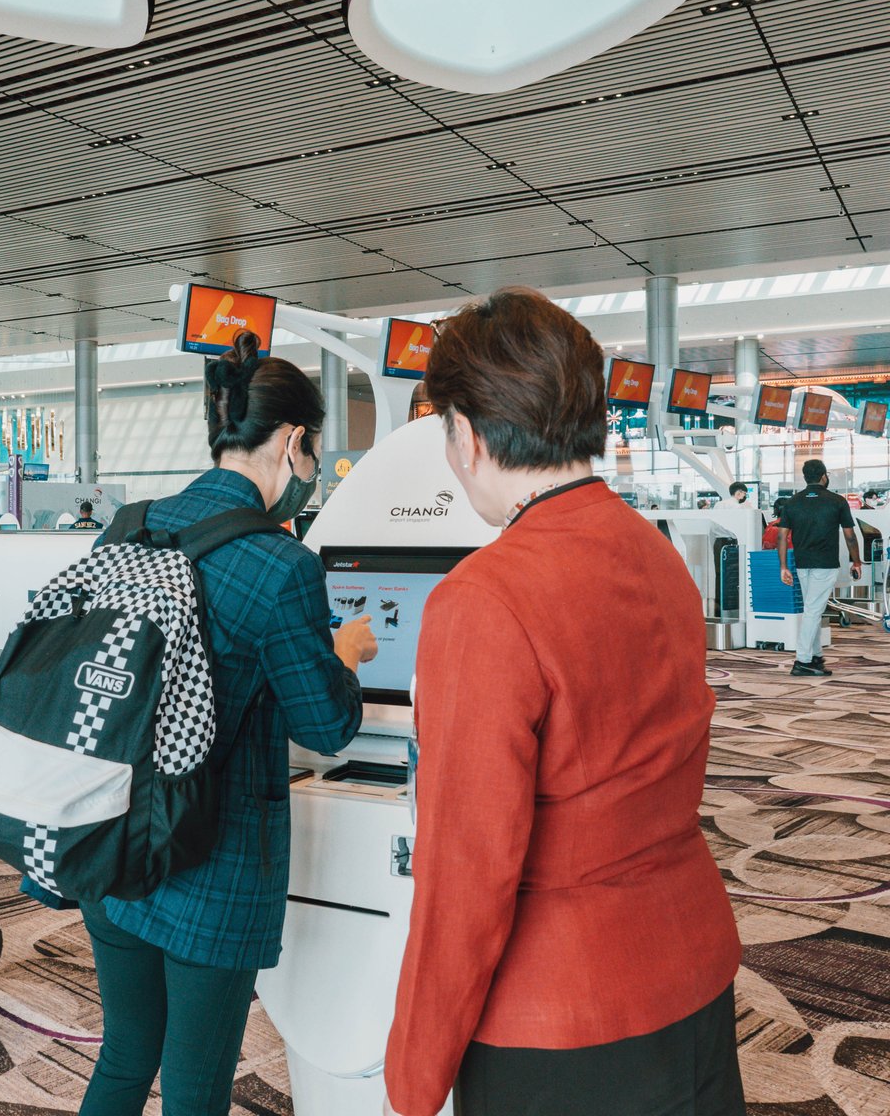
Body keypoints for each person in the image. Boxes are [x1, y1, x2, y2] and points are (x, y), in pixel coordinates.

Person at [382, 289, 743, 1116]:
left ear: (467, 436)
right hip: (690, 967)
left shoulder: (486, 597)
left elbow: (467, 870)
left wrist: (414, 1073)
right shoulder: (655, 556)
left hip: (562, 1017)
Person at [79, 330, 377, 1116]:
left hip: (111, 840)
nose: (307, 476)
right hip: (212, 862)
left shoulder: (131, 525)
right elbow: (325, 726)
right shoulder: (281, 567)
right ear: (292, 441)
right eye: (310, 455)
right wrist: (343, 654)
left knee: (125, 1054)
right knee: (196, 1084)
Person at [778, 459, 861, 678]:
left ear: (805, 477)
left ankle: (814, 656)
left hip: (802, 563)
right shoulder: (836, 501)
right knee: (813, 611)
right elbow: (850, 535)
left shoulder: (793, 502)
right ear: (824, 476)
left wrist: (783, 566)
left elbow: (782, 536)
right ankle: (803, 660)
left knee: (812, 610)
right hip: (825, 563)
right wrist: (857, 561)